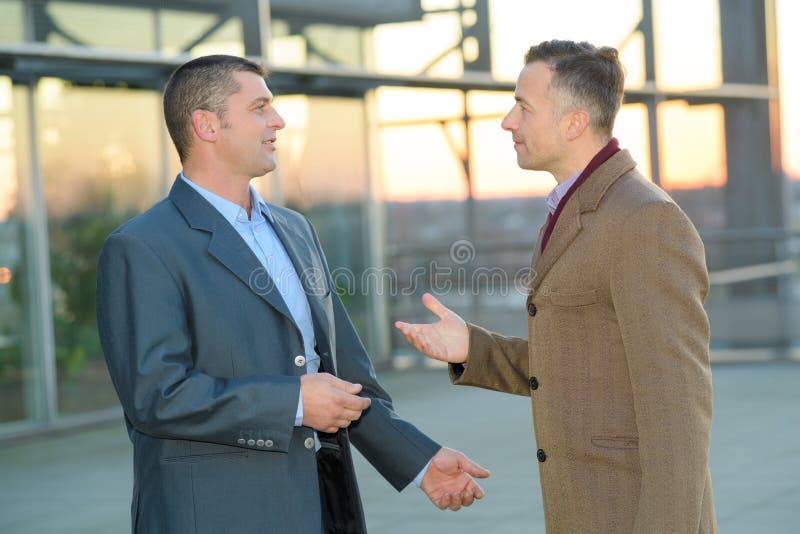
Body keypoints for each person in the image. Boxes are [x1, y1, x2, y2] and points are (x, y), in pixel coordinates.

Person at [96, 54, 489, 534]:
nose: (278, 120)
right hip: (214, 517)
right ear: (206, 125)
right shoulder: (141, 246)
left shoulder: (295, 229)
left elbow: (345, 378)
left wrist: (420, 461)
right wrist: (294, 403)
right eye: (259, 108)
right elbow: (156, 396)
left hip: (321, 507)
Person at [396, 40, 717, 533]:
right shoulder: (573, 209)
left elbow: (678, 412)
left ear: (574, 123)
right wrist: (473, 348)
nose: (508, 122)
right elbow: (582, 363)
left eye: (523, 107)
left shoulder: (645, 221)